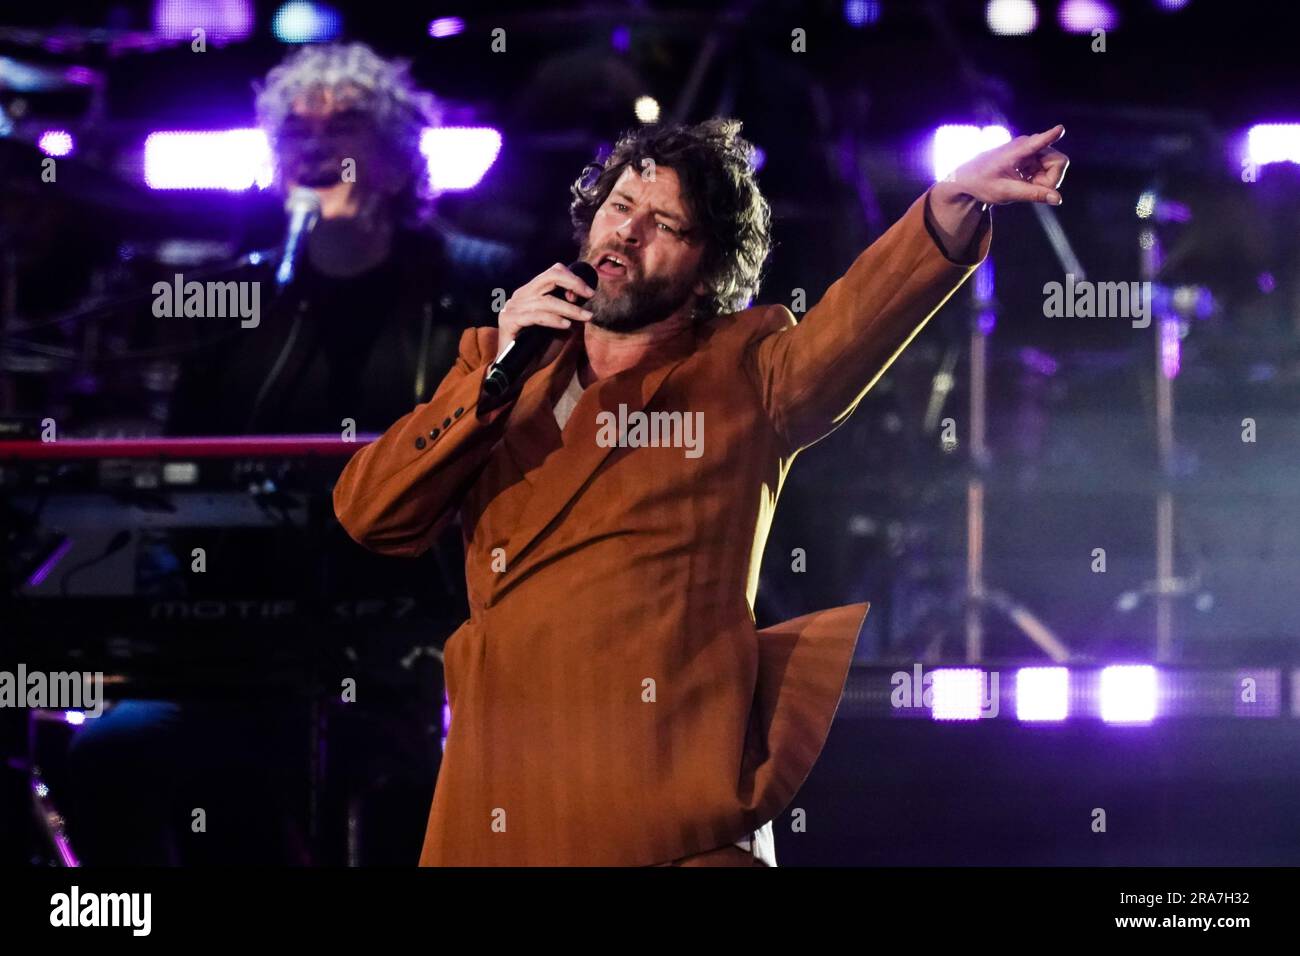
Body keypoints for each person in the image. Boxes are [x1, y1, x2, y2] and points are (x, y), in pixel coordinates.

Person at [333, 118, 1068, 866]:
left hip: (670, 806)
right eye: (619, 207)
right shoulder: (498, 363)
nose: (626, 234)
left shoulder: (748, 372)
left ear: (708, 272)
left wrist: (951, 203)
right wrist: (491, 385)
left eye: (666, 226)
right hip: (504, 798)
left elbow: (859, 320)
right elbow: (370, 515)